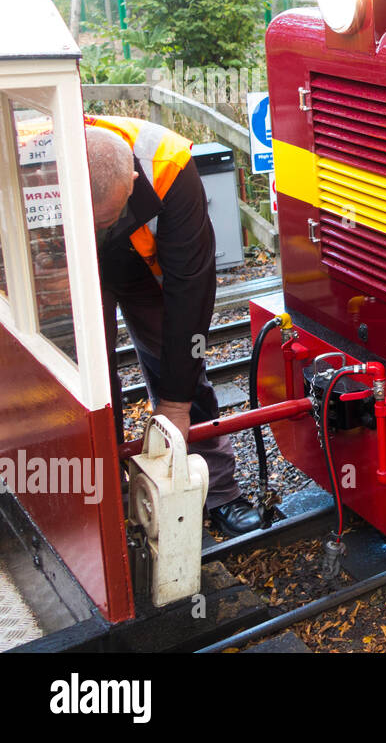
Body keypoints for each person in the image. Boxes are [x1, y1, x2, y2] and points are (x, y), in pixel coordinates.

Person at [85, 116, 262, 537]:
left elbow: (191, 290)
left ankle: (218, 487)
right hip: (71, 267)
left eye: (109, 218)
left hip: (146, 268)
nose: (103, 227)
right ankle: (103, 495)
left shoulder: (168, 165)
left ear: (132, 180)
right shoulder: (27, 158)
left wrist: (176, 403)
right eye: (96, 222)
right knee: (88, 379)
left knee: (183, 361)